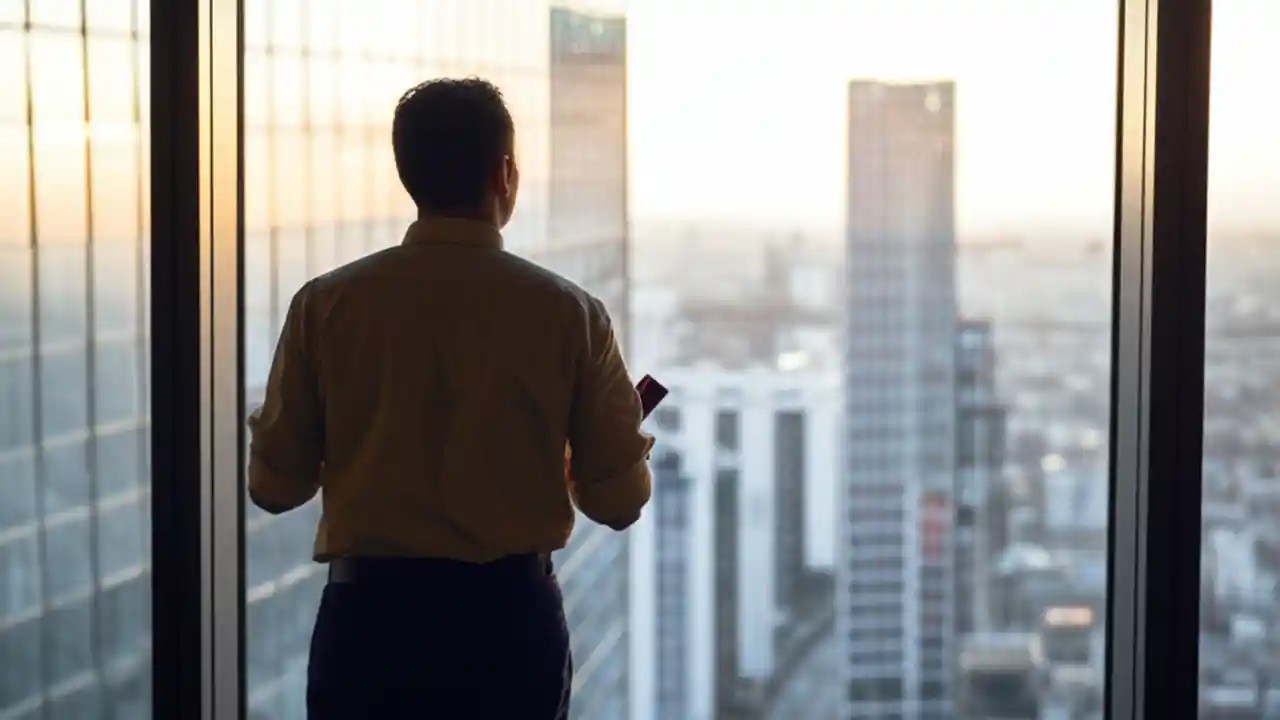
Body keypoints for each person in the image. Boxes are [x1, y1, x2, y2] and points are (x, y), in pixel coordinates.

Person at [246, 78, 654, 720]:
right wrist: (576, 471)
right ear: (506, 175)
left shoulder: (326, 307)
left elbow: (275, 488)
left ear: (409, 173)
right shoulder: (570, 315)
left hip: (370, 628)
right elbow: (621, 502)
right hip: (507, 631)